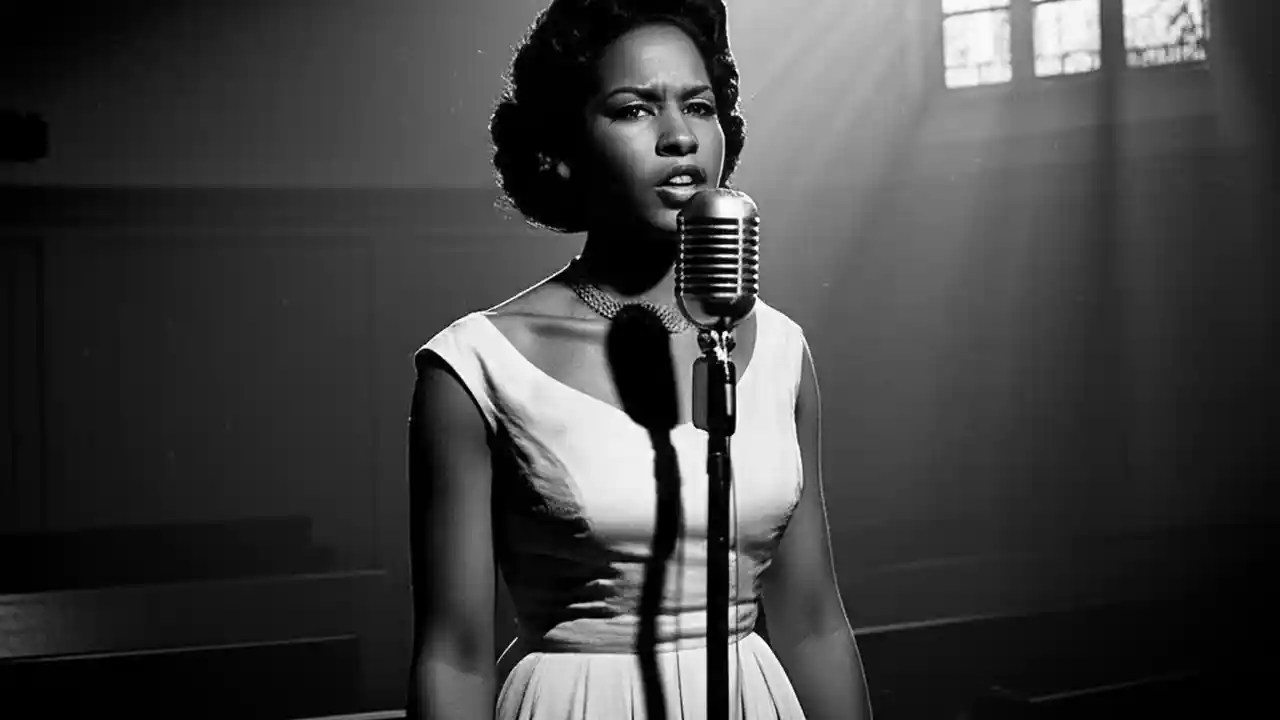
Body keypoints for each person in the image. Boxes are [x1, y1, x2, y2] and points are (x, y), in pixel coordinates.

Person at [406, 0, 871, 717]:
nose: (680, 137)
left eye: (700, 106)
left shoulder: (779, 348)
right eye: (633, 110)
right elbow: (454, 656)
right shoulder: (475, 366)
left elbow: (812, 622)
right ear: (563, 148)